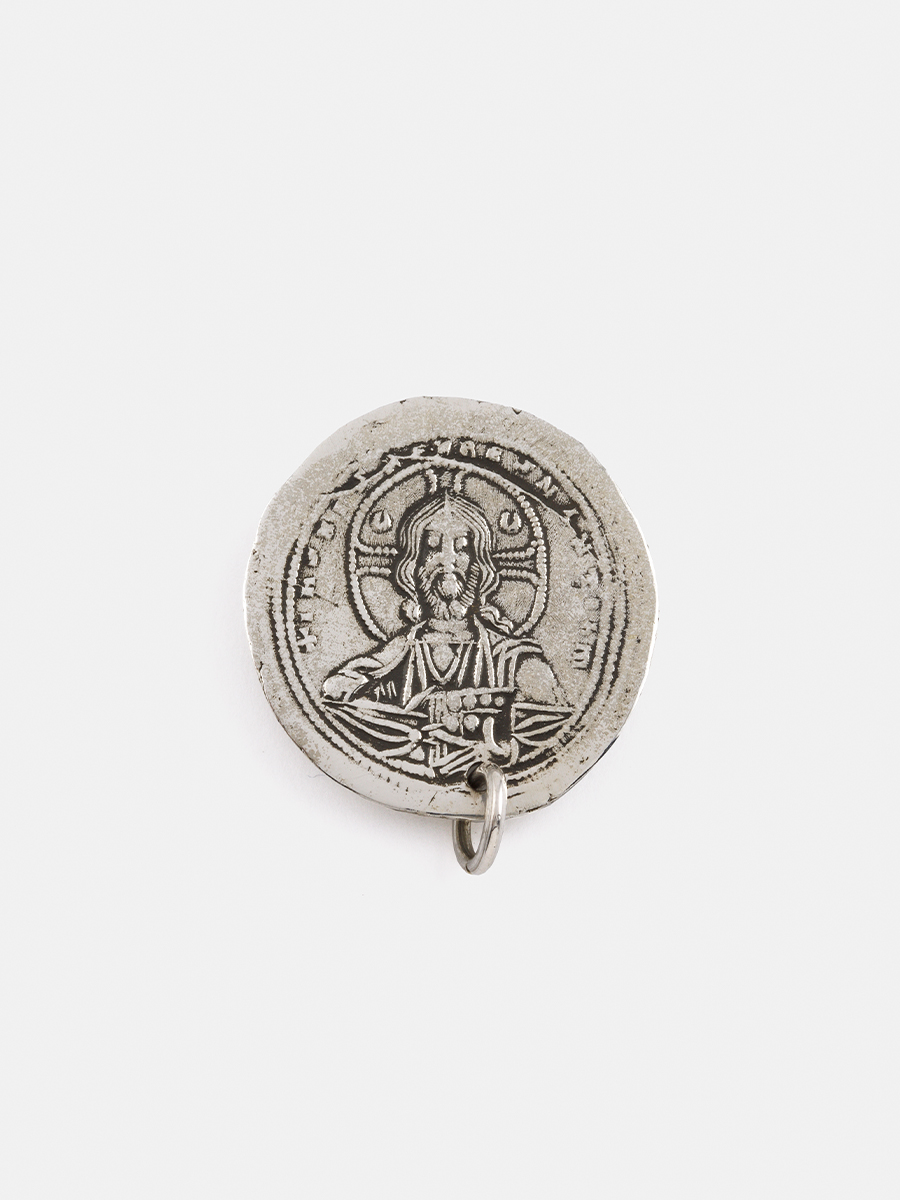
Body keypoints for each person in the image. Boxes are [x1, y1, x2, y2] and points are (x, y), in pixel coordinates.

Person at [323, 490, 569, 778]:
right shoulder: (398, 653)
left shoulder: (513, 660)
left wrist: (509, 750)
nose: (447, 561)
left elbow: (555, 726)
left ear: (480, 566)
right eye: (432, 548)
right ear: (412, 567)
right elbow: (334, 694)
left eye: (462, 548)